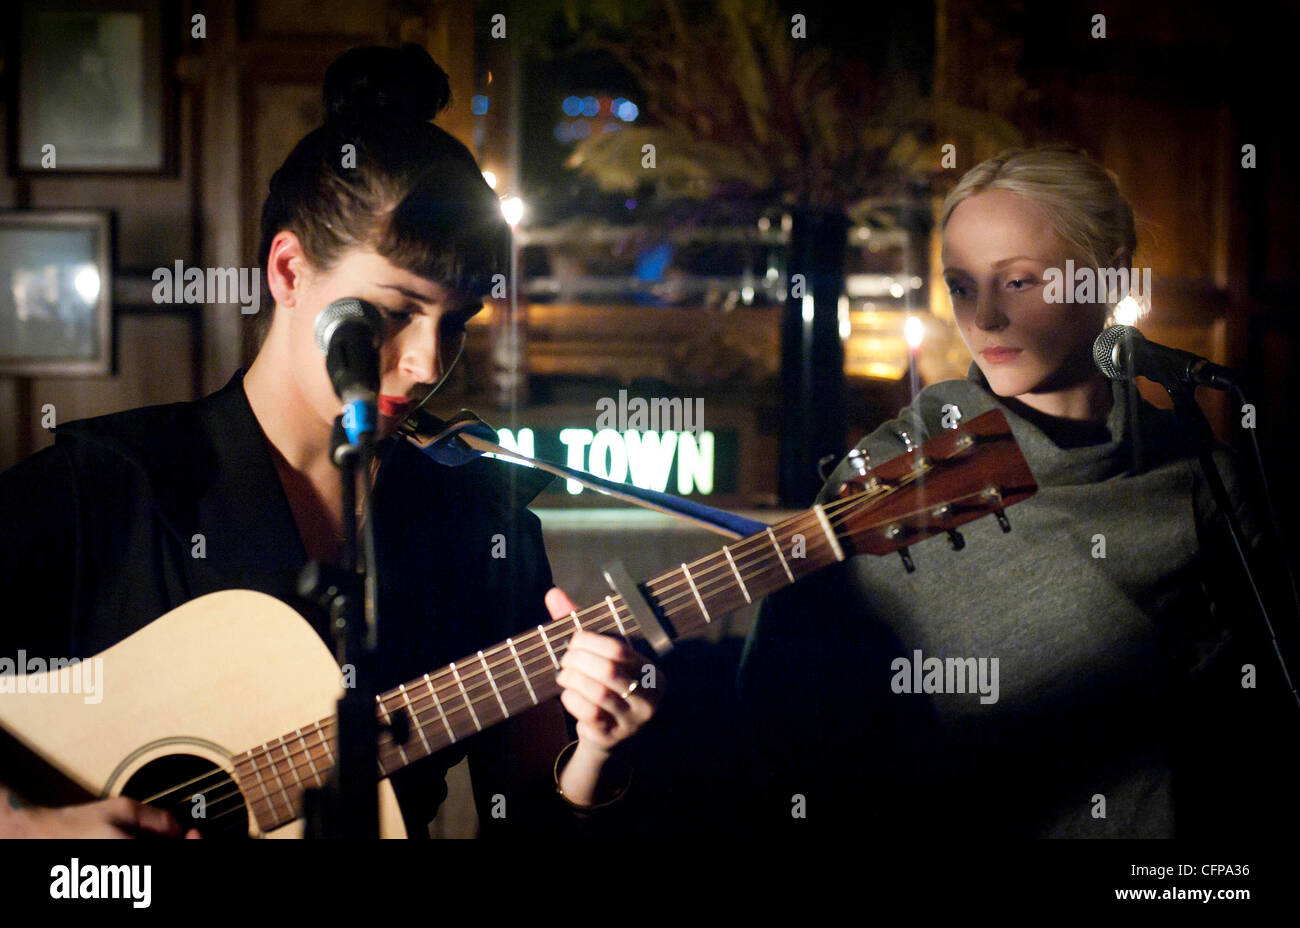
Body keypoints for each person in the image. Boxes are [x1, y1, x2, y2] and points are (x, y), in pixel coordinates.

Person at [0, 44, 657, 838]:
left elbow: (523, 811)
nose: (425, 364)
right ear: (288, 270)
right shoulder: (110, 487)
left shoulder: (480, 519)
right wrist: (27, 826)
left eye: (457, 322)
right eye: (394, 310)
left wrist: (595, 754)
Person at [738, 144, 1297, 838]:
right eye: (962, 286)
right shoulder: (891, 474)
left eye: (1021, 283)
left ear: (1108, 271)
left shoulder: (1199, 476)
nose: (986, 321)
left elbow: (1265, 725)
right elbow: (777, 720)